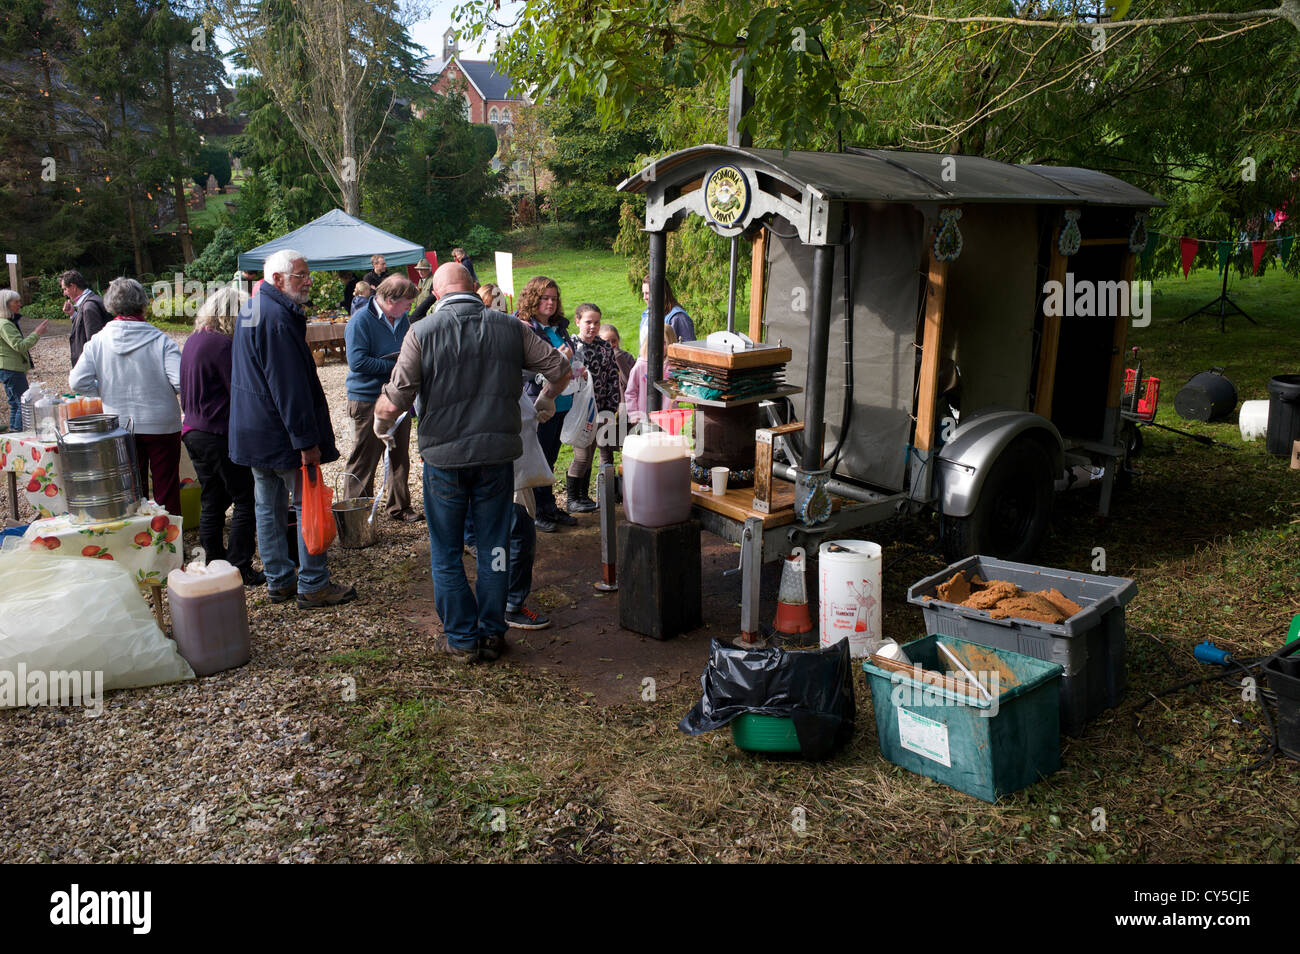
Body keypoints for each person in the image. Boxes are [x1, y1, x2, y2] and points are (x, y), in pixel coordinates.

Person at [373, 262, 570, 663]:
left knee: (446, 551)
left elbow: (396, 400)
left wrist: (380, 422)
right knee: (494, 546)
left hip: (444, 460)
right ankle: (492, 633)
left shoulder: (422, 331)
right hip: (497, 458)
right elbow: (561, 369)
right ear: (473, 288)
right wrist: (546, 399)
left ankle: (461, 640)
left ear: (439, 293)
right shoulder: (509, 327)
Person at [229, 248, 356, 610]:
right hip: (279, 432)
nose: (308, 280)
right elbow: (288, 387)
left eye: (306, 273)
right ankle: (313, 583)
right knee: (306, 504)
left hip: (254, 429)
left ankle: (279, 579)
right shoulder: (276, 318)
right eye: (300, 275)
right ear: (277, 280)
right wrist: (306, 440)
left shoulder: (254, 309)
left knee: (267, 506)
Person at [69, 277, 183, 516]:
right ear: (143, 304)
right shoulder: (161, 341)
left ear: (111, 306)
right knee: (166, 486)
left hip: (119, 422)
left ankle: (138, 544)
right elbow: (181, 381)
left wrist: (105, 390)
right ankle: (170, 542)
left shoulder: (98, 341)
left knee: (130, 489)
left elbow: (77, 381)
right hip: (161, 422)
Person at [180, 286, 264, 586]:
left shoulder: (193, 340)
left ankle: (213, 558)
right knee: (246, 497)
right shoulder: (223, 346)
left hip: (193, 429)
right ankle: (239, 565)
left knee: (213, 498)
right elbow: (239, 390)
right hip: (218, 431)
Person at [343, 274, 420, 522]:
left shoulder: (403, 319)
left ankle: (399, 507)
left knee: (399, 456)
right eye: (407, 302)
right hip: (367, 399)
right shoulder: (360, 321)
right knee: (364, 460)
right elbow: (357, 362)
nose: (409, 307)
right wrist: (397, 366)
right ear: (389, 299)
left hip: (398, 397)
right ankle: (356, 515)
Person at [516, 275, 575, 533]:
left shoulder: (558, 326)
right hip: (537, 401)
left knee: (550, 457)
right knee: (537, 458)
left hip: (561, 400)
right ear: (533, 299)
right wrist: (557, 358)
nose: (550, 303)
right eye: (544, 298)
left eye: (554, 298)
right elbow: (520, 368)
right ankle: (538, 511)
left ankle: (549, 505)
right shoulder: (523, 327)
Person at [565, 304, 620, 514]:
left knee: (589, 453)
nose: (593, 326)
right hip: (578, 409)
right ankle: (572, 498)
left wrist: (609, 409)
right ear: (578, 321)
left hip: (600, 408)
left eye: (596, 322)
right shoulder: (572, 346)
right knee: (581, 454)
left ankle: (582, 495)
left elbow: (612, 379)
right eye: (588, 322)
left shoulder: (604, 347)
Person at [0, 290, 48, 432]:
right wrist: (36, 333)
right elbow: (19, 346)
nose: (20, 304)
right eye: (16, 302)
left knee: (15, 403)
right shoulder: (5, 324)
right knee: (23, 403)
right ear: (6, 304)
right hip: (12, 369)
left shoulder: (6, 322)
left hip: (8, 368)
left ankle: (14, 433)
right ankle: (18, 433)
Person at [625, 322, 679, 424]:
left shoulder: (674, 368)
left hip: (668, 419)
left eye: (663, 343)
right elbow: (631, 392)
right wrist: (634, 414)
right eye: (655, 341)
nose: (658, 346)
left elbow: (681, 391)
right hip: (644, 418)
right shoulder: (641, 366)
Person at [60, 270, 110, 367]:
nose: (64, 293)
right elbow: (84, 326)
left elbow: (93, 342)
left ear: (73, 287)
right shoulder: (88, 302)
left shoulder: (89, 307)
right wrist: (73, 314)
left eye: (65, 289)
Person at [639, 275, 695, 343]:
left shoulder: (678, 318)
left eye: (647, 293)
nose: (644, 297)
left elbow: (689, 350)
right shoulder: (646, 315)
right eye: (643, 293)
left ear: (660, 293)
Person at [599, 323, 636, 396]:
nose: (611, 345)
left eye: (614, 341)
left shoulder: (627, 357)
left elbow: (630, 383)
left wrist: (619, 358)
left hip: (624, 400)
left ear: (618, 340)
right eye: (606, 342)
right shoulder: (598, 358)